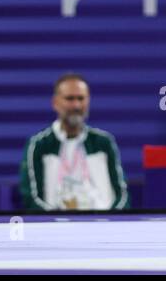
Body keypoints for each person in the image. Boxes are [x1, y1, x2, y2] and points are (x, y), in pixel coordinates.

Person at [18, 73, 128, 211]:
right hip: (55, 227)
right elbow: (31, 199)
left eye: (81, 98)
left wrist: (110, 221)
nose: (76, 105)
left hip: (102, 225)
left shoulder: (104, 142)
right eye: (69, 99)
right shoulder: (39, 145)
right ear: (55, 103)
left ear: (88, 101)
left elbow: (122, 195)